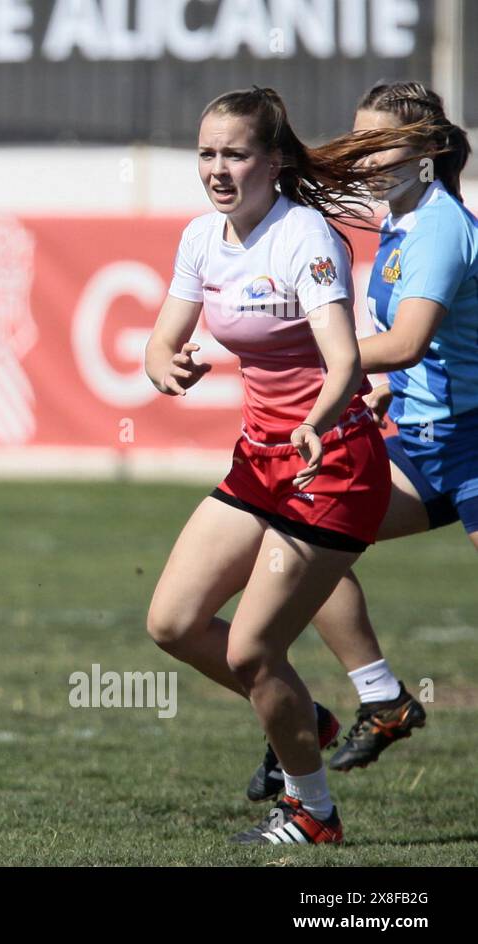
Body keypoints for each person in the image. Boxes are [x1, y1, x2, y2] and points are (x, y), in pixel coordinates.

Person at [143, 87, 419, 845]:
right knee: (170, 622)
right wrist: (164, 366)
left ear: (273, 160)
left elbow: (344, 364)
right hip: (260, 463)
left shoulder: (307, 237)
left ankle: (313, 813)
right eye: (207, 153)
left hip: (330, 466)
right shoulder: (203, 238)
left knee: (252, 650)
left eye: (235, 153)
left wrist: (316, 424)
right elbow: (159, 342)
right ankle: (309, 715)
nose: (218, 169)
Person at [288, 82, 475, 776]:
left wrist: (310, 351)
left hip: (473, 440)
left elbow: (407, 340)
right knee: (307, 539)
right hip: (427, 444)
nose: (362, 158)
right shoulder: (401, 220)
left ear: (425, 150)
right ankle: (383, 699)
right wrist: (391, 393)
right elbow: (434, 348)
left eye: (379, 144)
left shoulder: (439, 225)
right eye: (357, 140)